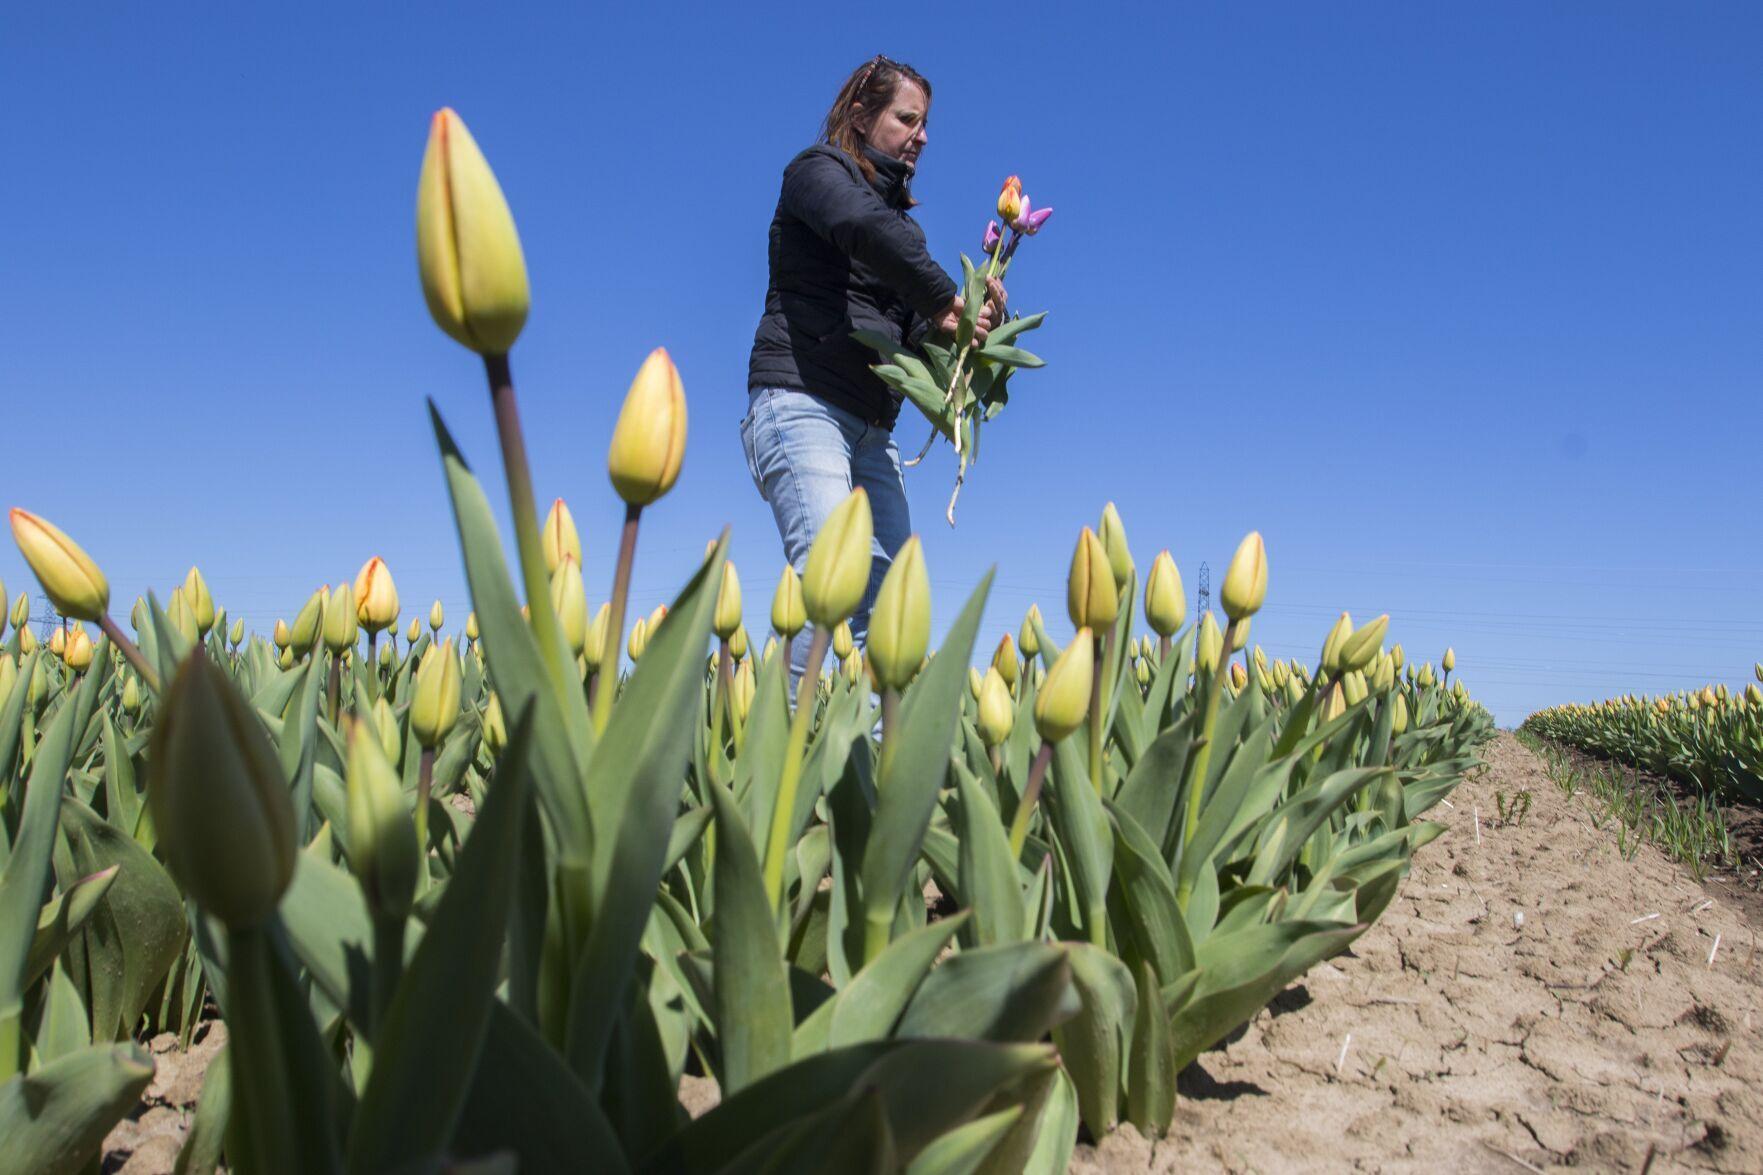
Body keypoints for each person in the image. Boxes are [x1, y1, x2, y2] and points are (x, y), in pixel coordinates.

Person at [742, 55, 1005, 682]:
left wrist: (976, 337)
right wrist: (943, 297)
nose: (922, 136)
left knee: (889, 607)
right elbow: (859, 226)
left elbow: (915, 331)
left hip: (871, 431)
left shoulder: (903, 233)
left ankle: (875, 770)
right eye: (907, 119)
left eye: (924, 125)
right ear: (860, 115)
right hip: (801, 401)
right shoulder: (815, 174)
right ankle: (774, 756)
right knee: (831, 583)